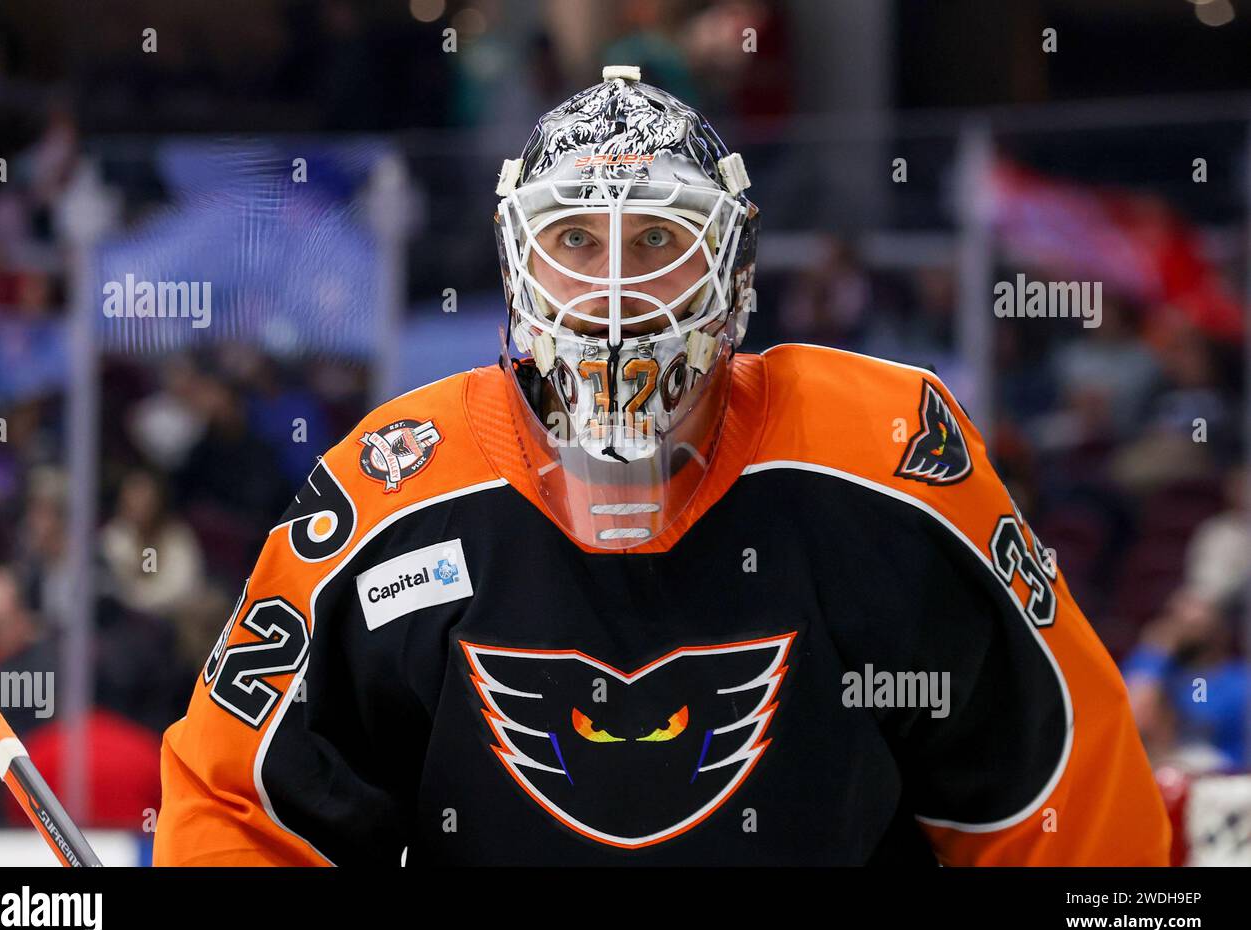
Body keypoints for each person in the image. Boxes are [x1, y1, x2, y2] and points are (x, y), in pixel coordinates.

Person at [154, 67, 1169, 866]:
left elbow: (1061, 799)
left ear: (733, 267)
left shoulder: (885, 454)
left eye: (653, 238)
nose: (610, 290)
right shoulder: (393, 489)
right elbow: (246, 807)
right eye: (572, 240)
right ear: (516, 266)